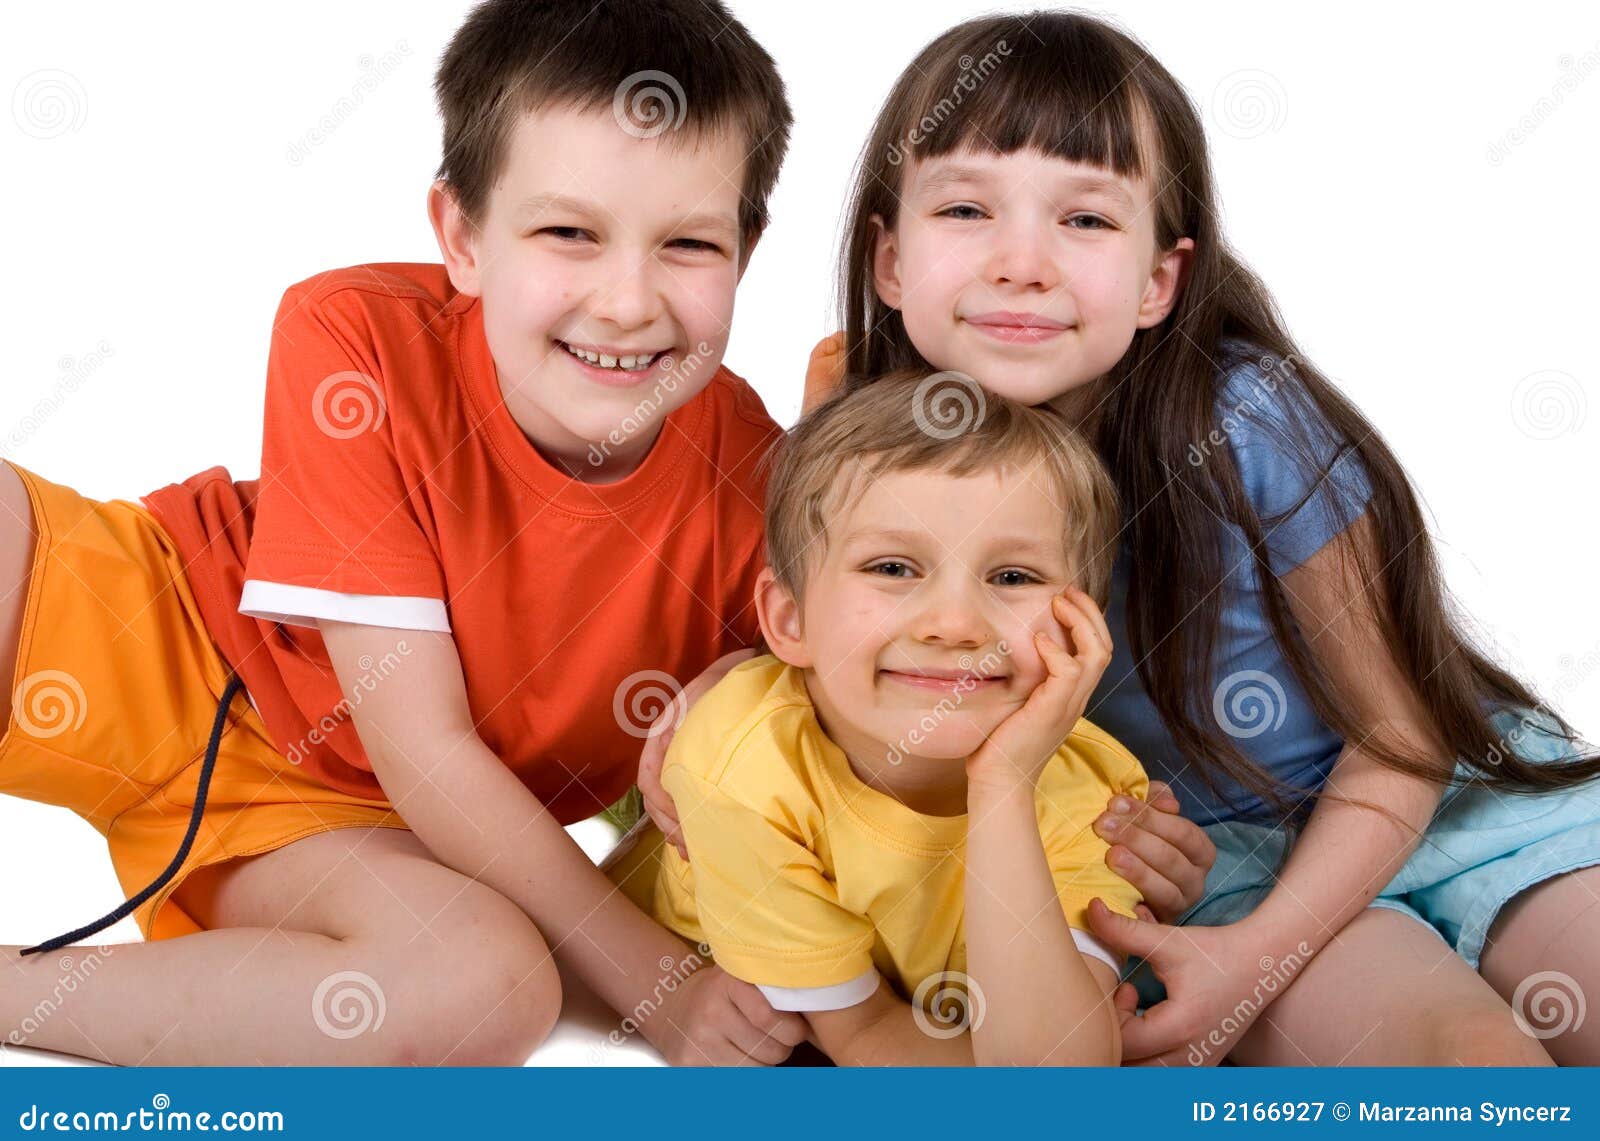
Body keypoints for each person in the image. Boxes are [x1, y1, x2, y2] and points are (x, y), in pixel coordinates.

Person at [652, 9, 1600, 1066]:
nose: (1021, 263)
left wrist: (1262, 958)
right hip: (1200, 867)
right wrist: (714, 691)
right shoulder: (855, 430)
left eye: (1087, 222)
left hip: (1441, 806)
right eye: (966, 207)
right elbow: (834, 633)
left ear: (1161, 278)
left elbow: (1402, 735)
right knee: (1464, 1067)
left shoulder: (1242, 421)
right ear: (888, 259)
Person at [0, 0, 809, 1066]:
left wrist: (737, 683)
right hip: (141, 630)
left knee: (484, 986)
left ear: (746, 251)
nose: (626, 300)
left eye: (689, 244)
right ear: (463, 237)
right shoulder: (356, 333)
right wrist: (661, 991)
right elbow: (421, 737)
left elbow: (801, 720)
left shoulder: (766, 483)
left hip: (343, 837)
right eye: (568, 232)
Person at [609, 369, 1145, 1064]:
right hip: (716, 1013)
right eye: (893, 567)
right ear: (789, 619)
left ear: (1081, 629)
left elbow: (1047, 1082)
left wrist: (1003, 785)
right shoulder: (741, 762)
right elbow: (862, 1034)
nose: (954, 624)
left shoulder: (1094, 790)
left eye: (1012, 577)